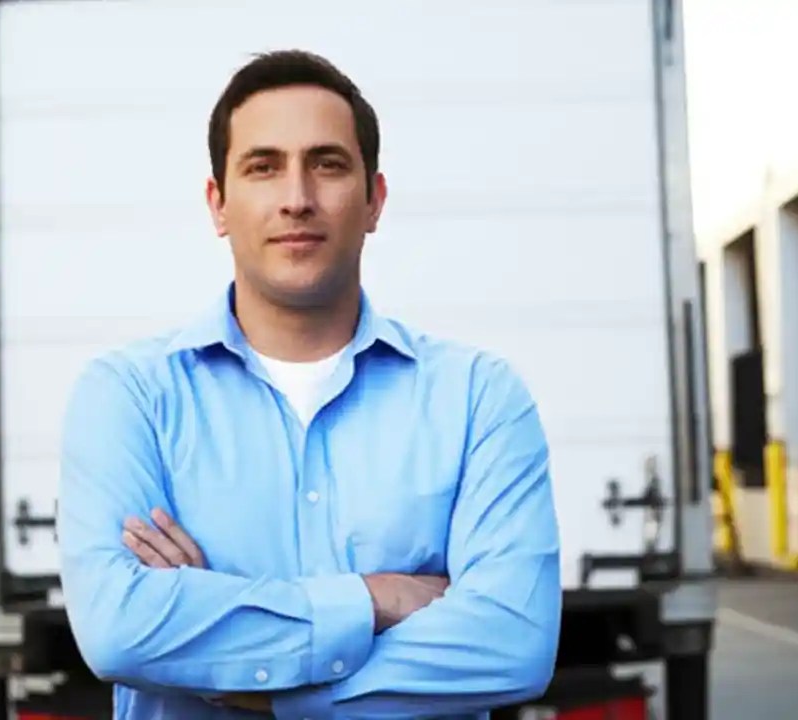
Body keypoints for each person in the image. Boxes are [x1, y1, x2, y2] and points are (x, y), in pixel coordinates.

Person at [58, 49, 562, 719]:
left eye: (327, 164)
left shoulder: (477, 398)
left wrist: (256, 678)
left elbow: (512, 644)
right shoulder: (127, 397)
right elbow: (120, 629)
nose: (296, 198)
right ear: (219, 204)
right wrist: (375, 599)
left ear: (374, 200)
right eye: (262, 167)